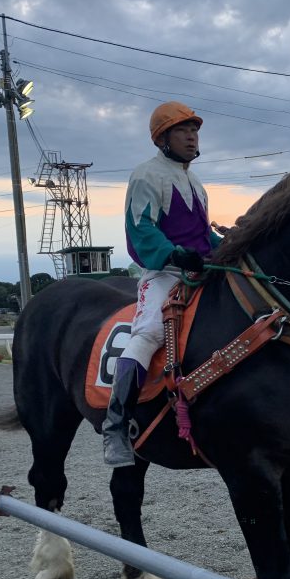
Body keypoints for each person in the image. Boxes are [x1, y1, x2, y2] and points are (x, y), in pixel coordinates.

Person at [102, 101, 222, 467]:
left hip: (201, 270)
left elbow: (204, 236)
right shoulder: (145, 175)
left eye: (195, 130)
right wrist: (173, 255)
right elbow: (141, 231)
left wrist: (231, 245)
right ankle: (116, 426)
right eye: (183, 130)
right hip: (164, 273)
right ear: (163, 138)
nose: (192, 136)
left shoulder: (195, 182)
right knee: (150, 332)